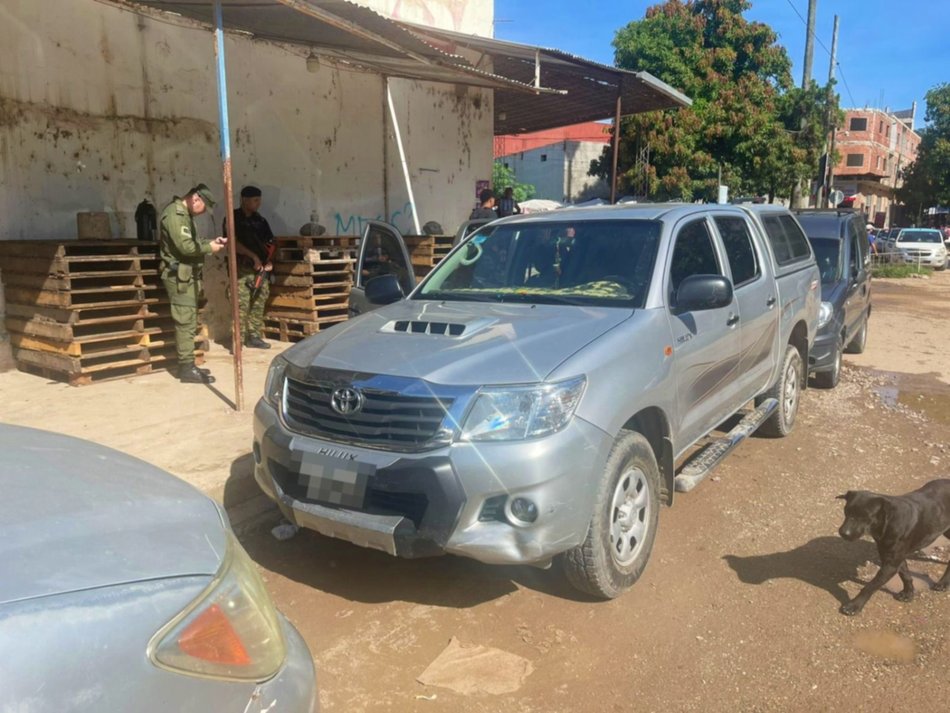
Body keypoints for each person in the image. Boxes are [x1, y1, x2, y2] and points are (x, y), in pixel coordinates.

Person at [158, 183, 227, 384]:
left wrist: (212, 242)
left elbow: (190, 242)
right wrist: (209, 247)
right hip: (179, 277)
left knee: (188, 321)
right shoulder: (176, 215)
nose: (202, 212)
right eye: (203, 207)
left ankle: (188, 365)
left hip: (186, 276)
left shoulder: (184, 215)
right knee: (185, 322)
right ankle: (186, 367)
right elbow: (186, 247)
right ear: (195, 199)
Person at [225, 185, 275, 350]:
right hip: (242, 269)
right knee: (241, 305)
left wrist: (268, 260)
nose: (258, 203)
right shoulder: (233, 218)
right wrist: (253, 256)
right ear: (244, 200)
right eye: (255, 200)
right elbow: (232, 242)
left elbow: (270, 243)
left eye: (259, 199)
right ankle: (237, 340)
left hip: (259, 270)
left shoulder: (260, 220)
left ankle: (253, 336)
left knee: (258, 302)